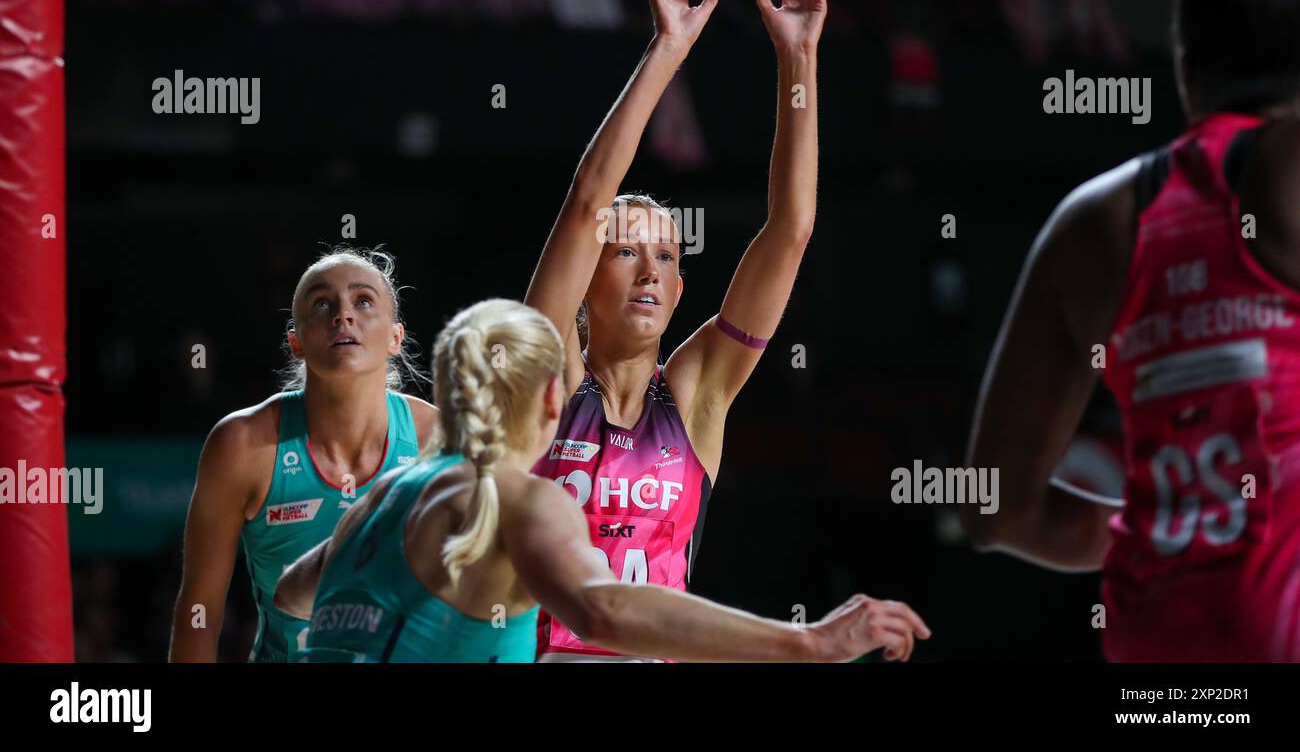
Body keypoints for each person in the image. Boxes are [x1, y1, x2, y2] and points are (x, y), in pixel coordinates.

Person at [965, 0, 1300, 661]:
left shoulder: (1093, 221)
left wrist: (1173, 520)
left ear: (1183, 62)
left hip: (1158, 652)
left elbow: (994, 511)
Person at [275, 298, 929, 662]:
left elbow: (291, 591)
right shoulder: (520, 499)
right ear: (554, 402)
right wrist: (806, 641)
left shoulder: (377, 504)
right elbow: (600, 609)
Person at [522, 0, 830, 659]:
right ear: (584, 283)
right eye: (625, 250)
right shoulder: (549, 376)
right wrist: (668, 46)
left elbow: (790, 231)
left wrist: (799, 60)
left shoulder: (696, 398)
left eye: (665, 255)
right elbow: (586, 201)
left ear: (681, 287)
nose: (650, 271)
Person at [169, 247, 437, 661]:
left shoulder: (439, 437)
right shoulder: (241, 444)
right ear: (295, 341)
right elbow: (199, 612)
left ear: (395, 337)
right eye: (322, 303)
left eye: (363, 301)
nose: (343, 315)